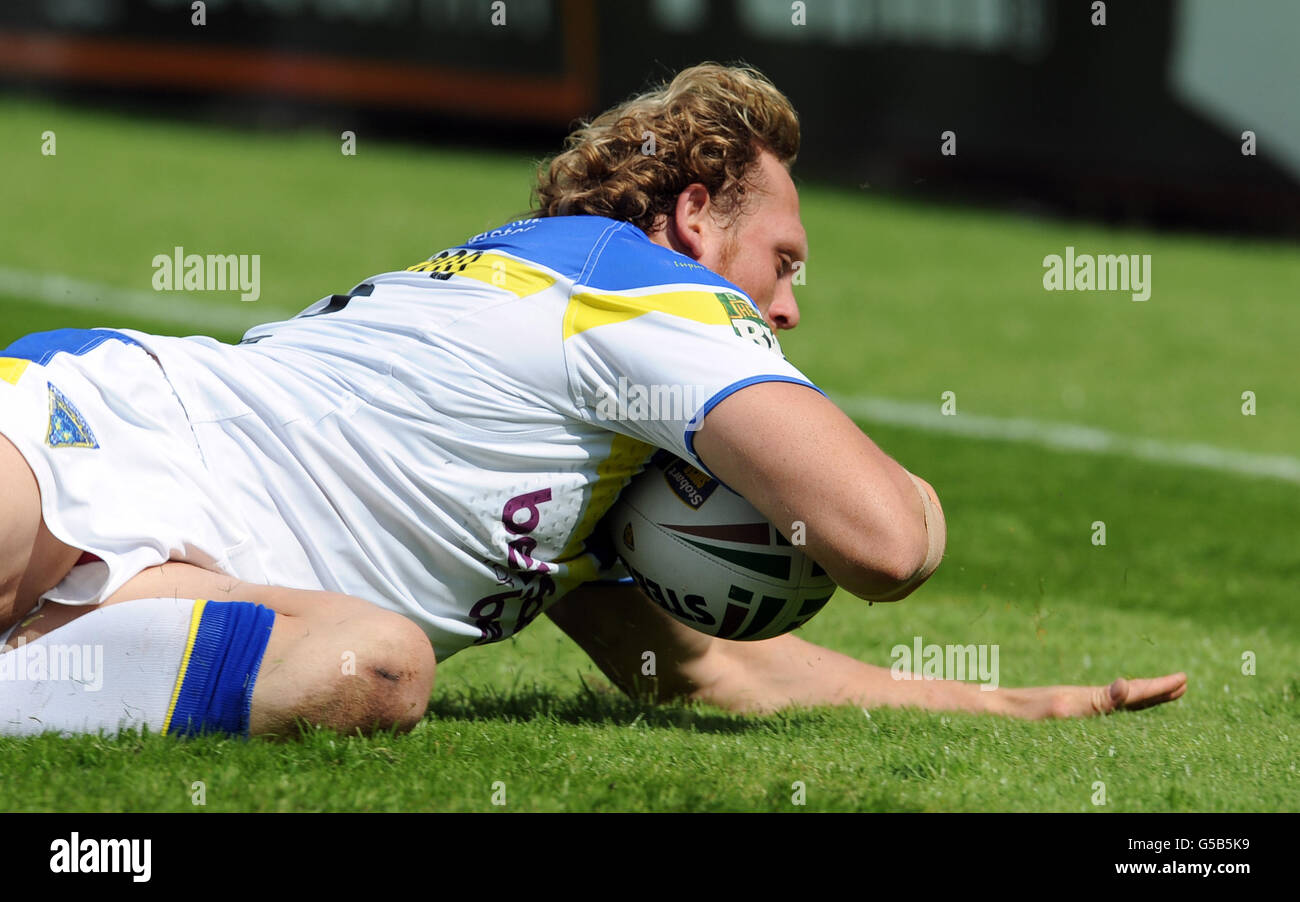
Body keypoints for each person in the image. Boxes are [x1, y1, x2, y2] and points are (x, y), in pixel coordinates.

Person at [0, 63, 1186, 738]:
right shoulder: (645, 293)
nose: (788, 308)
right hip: (96, 422)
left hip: (199, 572)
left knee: (379, 668)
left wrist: (1010, 701)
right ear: (691, 216)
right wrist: (925, 500)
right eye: (783, 261)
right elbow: (883, 542)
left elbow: (722, 671)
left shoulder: (590, 443)